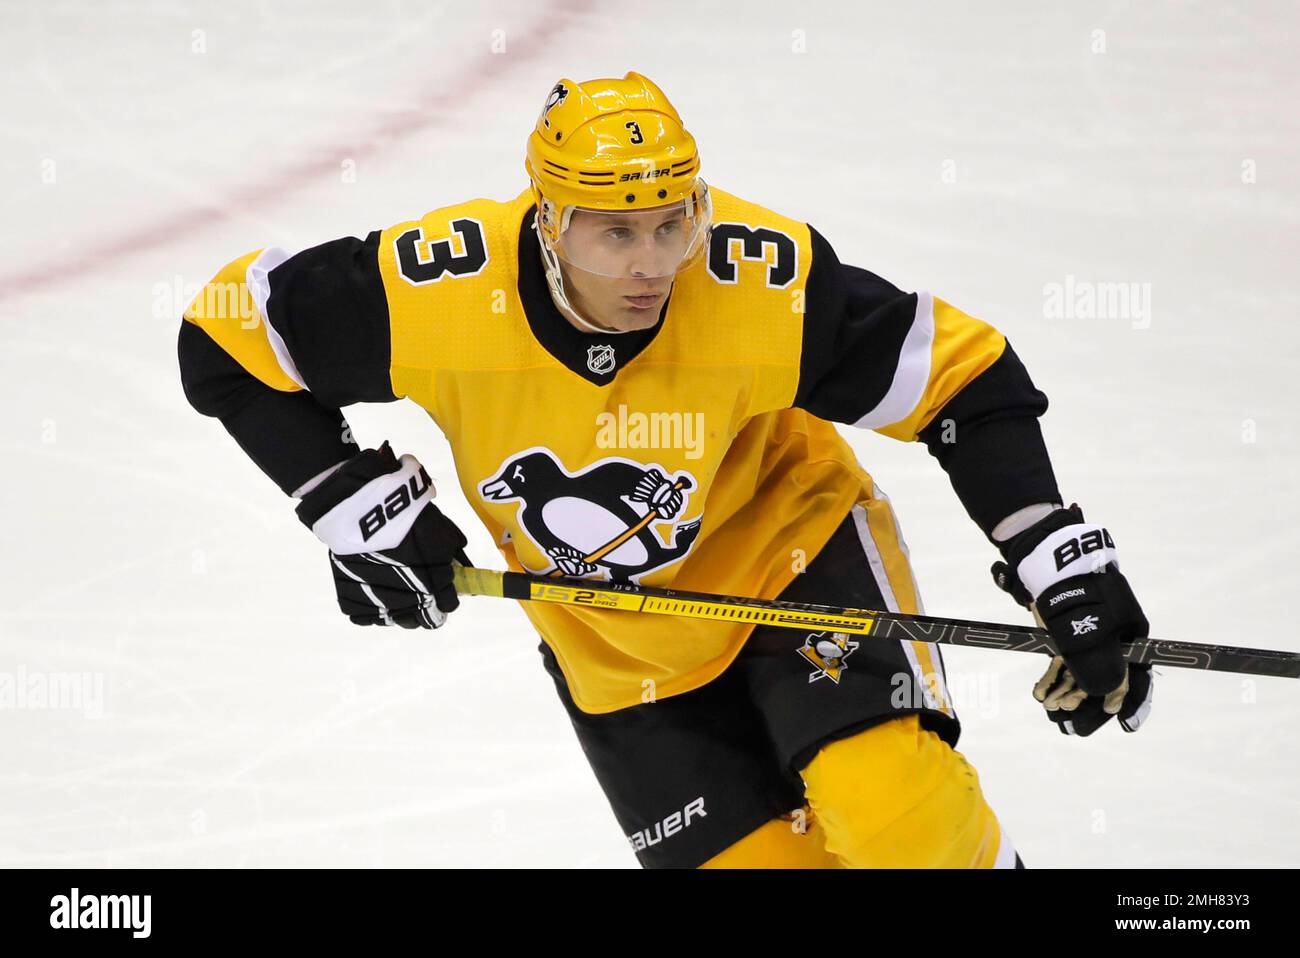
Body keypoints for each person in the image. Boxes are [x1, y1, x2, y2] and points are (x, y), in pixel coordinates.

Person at [177, 71, 1154, 868]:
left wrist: (1056, 561)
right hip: (617, 650)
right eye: (615, 232)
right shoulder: (434, 294)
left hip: (789, 560)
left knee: (897, 819)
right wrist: (348, 500)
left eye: (670, 223)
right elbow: (223, 338)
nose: (652, 264)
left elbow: (962, 379)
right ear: (549, 220)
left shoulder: (753, 286)